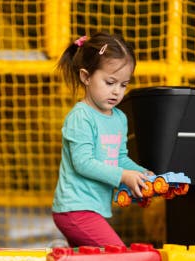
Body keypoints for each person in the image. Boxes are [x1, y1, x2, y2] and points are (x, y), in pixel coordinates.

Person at [52, 33, 154, 248]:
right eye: (110, 82)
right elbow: (83, 163)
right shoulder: (81, 117)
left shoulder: (119, 117)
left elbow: (119, 158)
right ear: (85, 77)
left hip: (92, 210)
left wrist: (142, 173)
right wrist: (123, 176)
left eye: (124, 85)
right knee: (119, 256)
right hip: (75, 210)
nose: (116, 91)